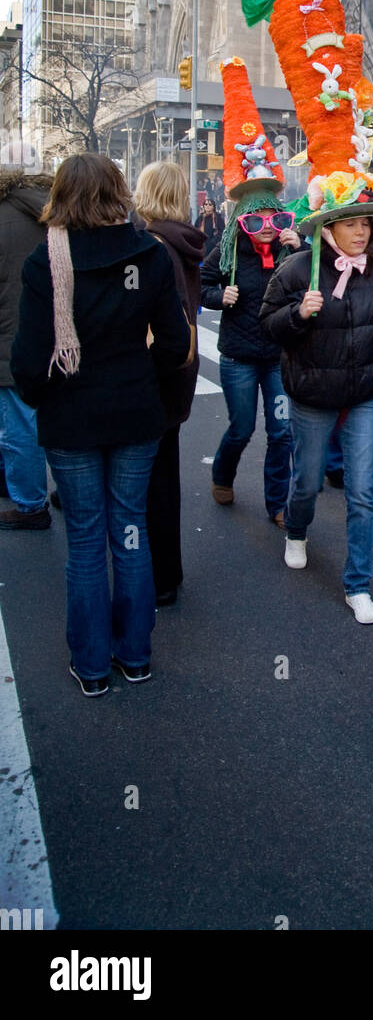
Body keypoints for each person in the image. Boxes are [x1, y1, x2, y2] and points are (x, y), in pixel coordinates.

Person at [10, 154, 190, 695]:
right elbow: (177, 344)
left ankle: (91, 668)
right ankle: (135, 657)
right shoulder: (150, 254)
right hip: (136, 415)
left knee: (86, 541)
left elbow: (28, 359)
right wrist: (142, 376)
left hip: (72, 419)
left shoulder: (47, 261)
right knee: (130, 531)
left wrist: (42, 396)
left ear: (60, 196)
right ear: (118, 192)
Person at [260, 209, 373, 623]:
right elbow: (269, 324)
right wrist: (298, 314)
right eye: (351, 224)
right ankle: (296, 529)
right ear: (329, 229)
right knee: (307, 482)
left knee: (362, 491)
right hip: (312, 392)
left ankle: (358, 583)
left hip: (365, 392)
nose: (361, 232)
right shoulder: (297, 269)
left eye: (366, 224)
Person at [201, 199, 299, 527]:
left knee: (282, 432)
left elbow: (317, 279)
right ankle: (223, 474)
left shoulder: (292, 249)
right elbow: (201, 283)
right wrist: (219, 297)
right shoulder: (228, 250)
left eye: (276, 219)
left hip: (278, 357)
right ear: (244, 222)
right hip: (238, 357)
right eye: (259, 220)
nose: (268, 225)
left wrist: (303, 248)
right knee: (242, 428)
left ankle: (277, 505)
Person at [133, 162, 205, 606]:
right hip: (181, 373)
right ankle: (168, 572)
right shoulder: (185, 238)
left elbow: (164, 323)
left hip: (158, 374)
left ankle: (157, 577)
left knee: (146, 479)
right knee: (164, 476)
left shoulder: (154, 243)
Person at [0, 142, 53, 531]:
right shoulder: (61, 211)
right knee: (64, 417)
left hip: (12, 336)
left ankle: (31, 504)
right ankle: (70, 490)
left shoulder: (2, 215)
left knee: (20, 424)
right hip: (64, 334)